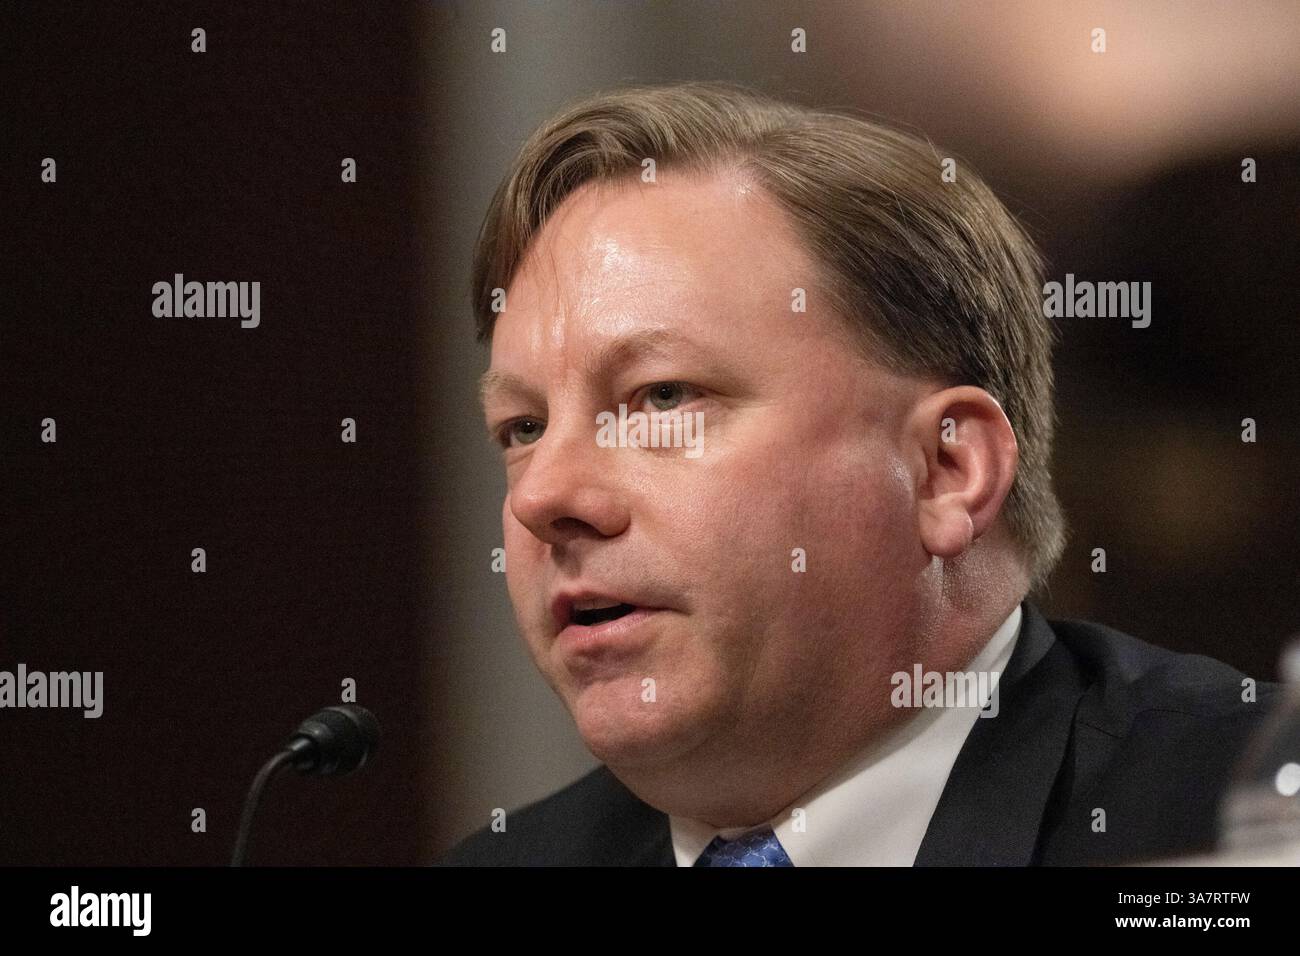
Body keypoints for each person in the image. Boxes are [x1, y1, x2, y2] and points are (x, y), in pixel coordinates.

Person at [439, 81, 1277, 866]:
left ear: (946, 470)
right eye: (523, 427)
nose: (544, 496)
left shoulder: (1241, 824)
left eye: (661, 396)